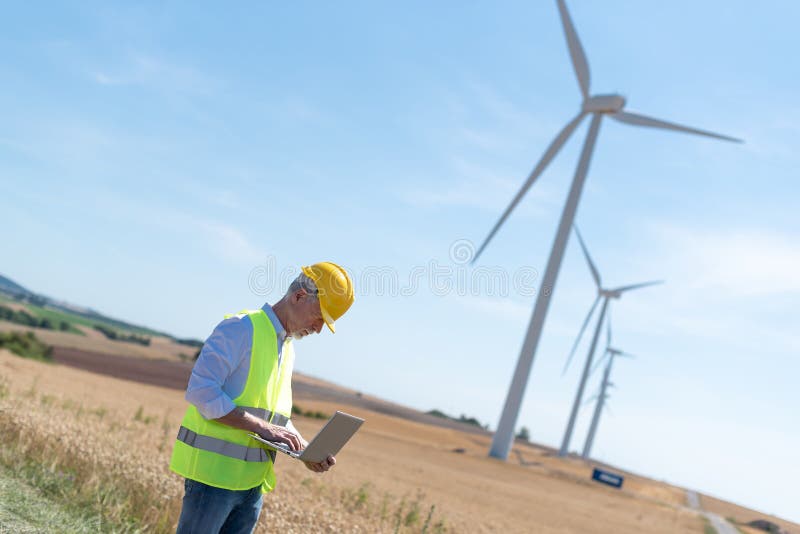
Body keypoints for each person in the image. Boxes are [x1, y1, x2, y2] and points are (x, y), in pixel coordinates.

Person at [170, 262, 354, 534]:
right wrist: (262, 428)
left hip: (252, 487)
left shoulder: (287, 348)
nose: (318, 329)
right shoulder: (241, 328)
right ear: (299, 296)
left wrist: (304, 449)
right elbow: (201, 390)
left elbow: (275, 417)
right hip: (213, 481)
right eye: (319, 317)